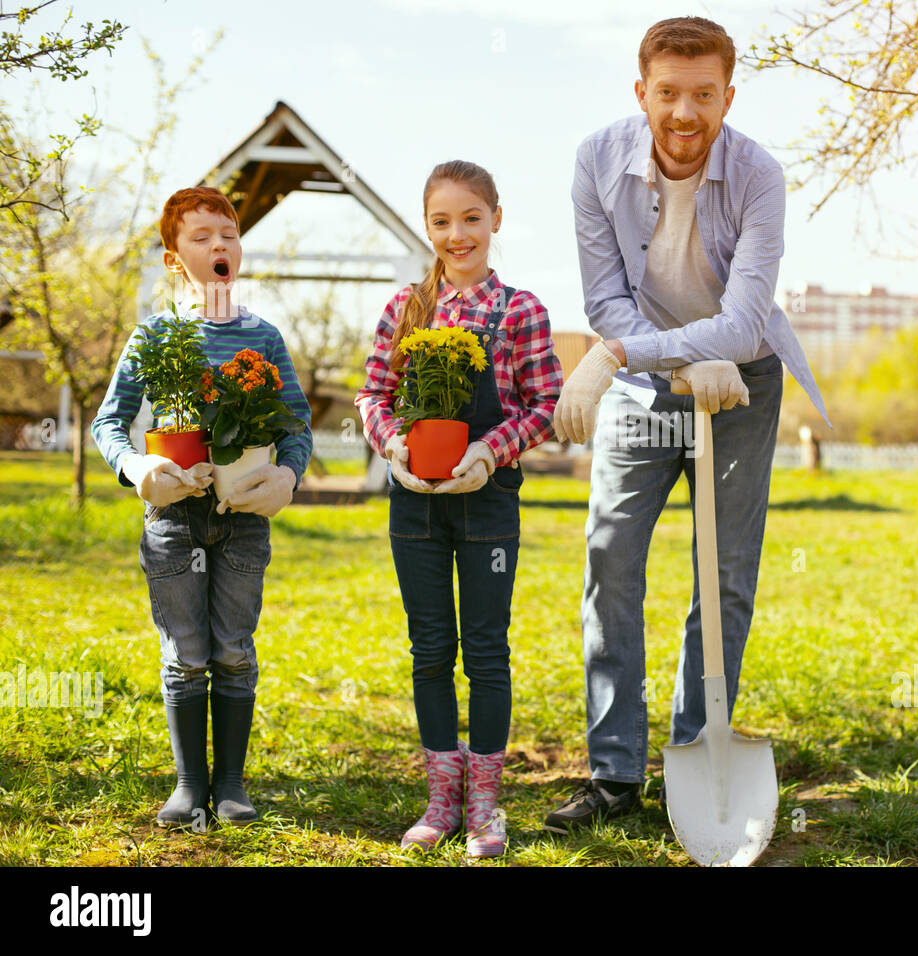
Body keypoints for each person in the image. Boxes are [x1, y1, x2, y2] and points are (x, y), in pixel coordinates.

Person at [545, 16, 830, 832]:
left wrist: (656, 355)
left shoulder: (759, 176)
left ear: (727, 97)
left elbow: (744, 322)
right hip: (639, 383)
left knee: (726, 574)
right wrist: (660, 364)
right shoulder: (596, 160)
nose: (684, 113)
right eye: (667, 93)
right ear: (642, 93)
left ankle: (695, 757)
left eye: (704, 95)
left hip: (742, 383)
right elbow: (604, 299)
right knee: (611, 562)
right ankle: (613, 774)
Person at [355, 160, 562, 858]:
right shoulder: (404, 310)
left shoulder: (521, 311)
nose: (457, 234)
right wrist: (395, 449)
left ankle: (485, 806)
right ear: (428, 227)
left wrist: (488, 453)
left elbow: (544, 406)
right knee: (430, 647)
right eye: (442, 221)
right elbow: (373, 396)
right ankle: (441, 799)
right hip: (414, 503)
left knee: (486, 648)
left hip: (488, 501)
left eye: (471, 218)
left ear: (495, 220)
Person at [91, 185, 313, 827]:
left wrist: (288, 477)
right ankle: (190, 787)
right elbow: (110, 421)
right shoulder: (155, 336)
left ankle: (233, 784)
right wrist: (137, 467)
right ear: (173, 258)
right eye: (201, 237)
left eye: (228, 234)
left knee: (234, 650)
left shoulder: (264, 338)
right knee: (186, 653)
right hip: (175, 517)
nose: (219, 246)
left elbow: (295, 424)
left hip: (242, 518)